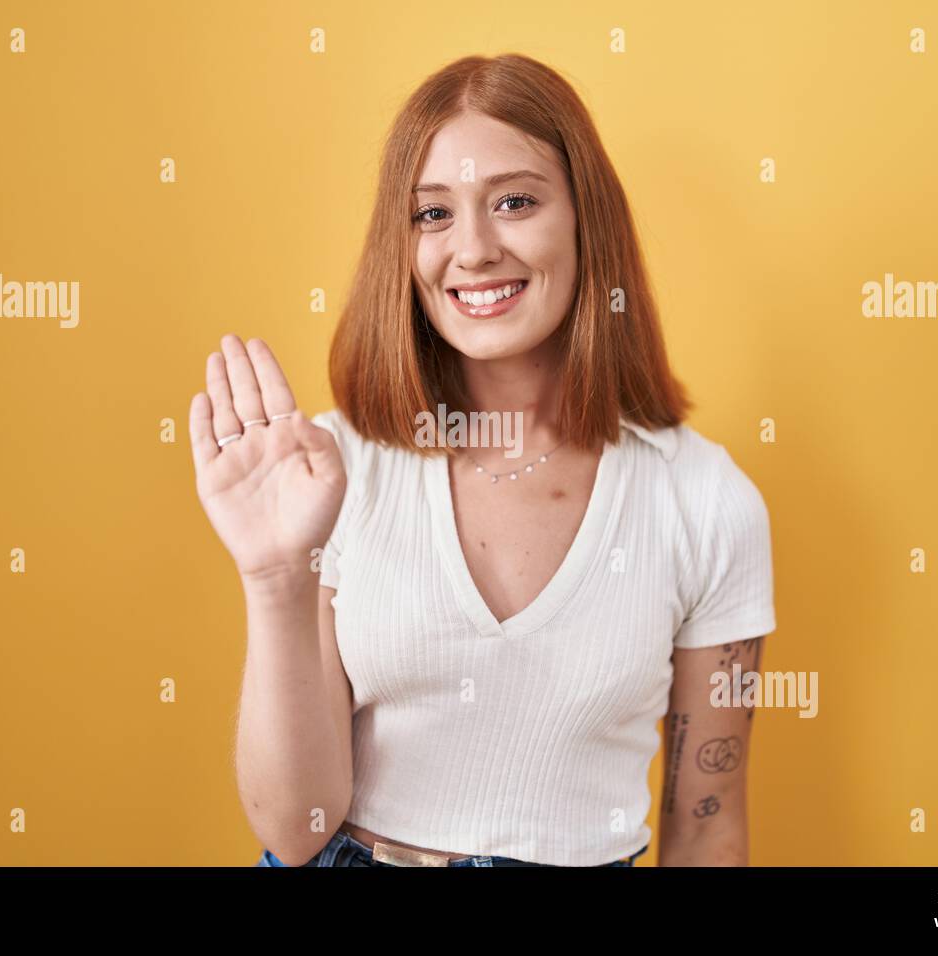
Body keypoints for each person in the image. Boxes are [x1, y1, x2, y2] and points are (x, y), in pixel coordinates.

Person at [189, 54, 776, 867]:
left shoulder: (707, 500)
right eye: (432, 214)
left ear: (585, 219)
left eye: (515, 201)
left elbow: (708, 828)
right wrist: (277, 579)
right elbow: (295, 830)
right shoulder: (331, 470)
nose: (472, 250)